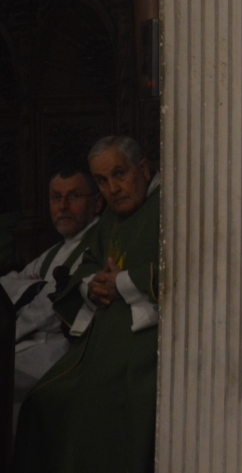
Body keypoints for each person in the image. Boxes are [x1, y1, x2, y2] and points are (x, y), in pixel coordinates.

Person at [13, 136, 160, 473]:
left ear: (143, 169)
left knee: (83, 406)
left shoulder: (164, 207)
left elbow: (186, 271)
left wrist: (121, 282)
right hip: (101, 346)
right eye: (102, 180)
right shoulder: (112, 219)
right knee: (40, 403)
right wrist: (91, 284)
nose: (113, 188)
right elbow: (89, 262)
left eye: (120, 174)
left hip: (143, 348)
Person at [0, 167, 103, 425]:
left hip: (64, 348)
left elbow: (52, 308)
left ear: (97, 202)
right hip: (30, 341)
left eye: (74, 196)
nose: (63, 206)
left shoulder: (98, 244)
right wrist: (32, 288)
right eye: (56, 197)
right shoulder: (55, 251)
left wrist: (31, 290)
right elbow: (7, 285)